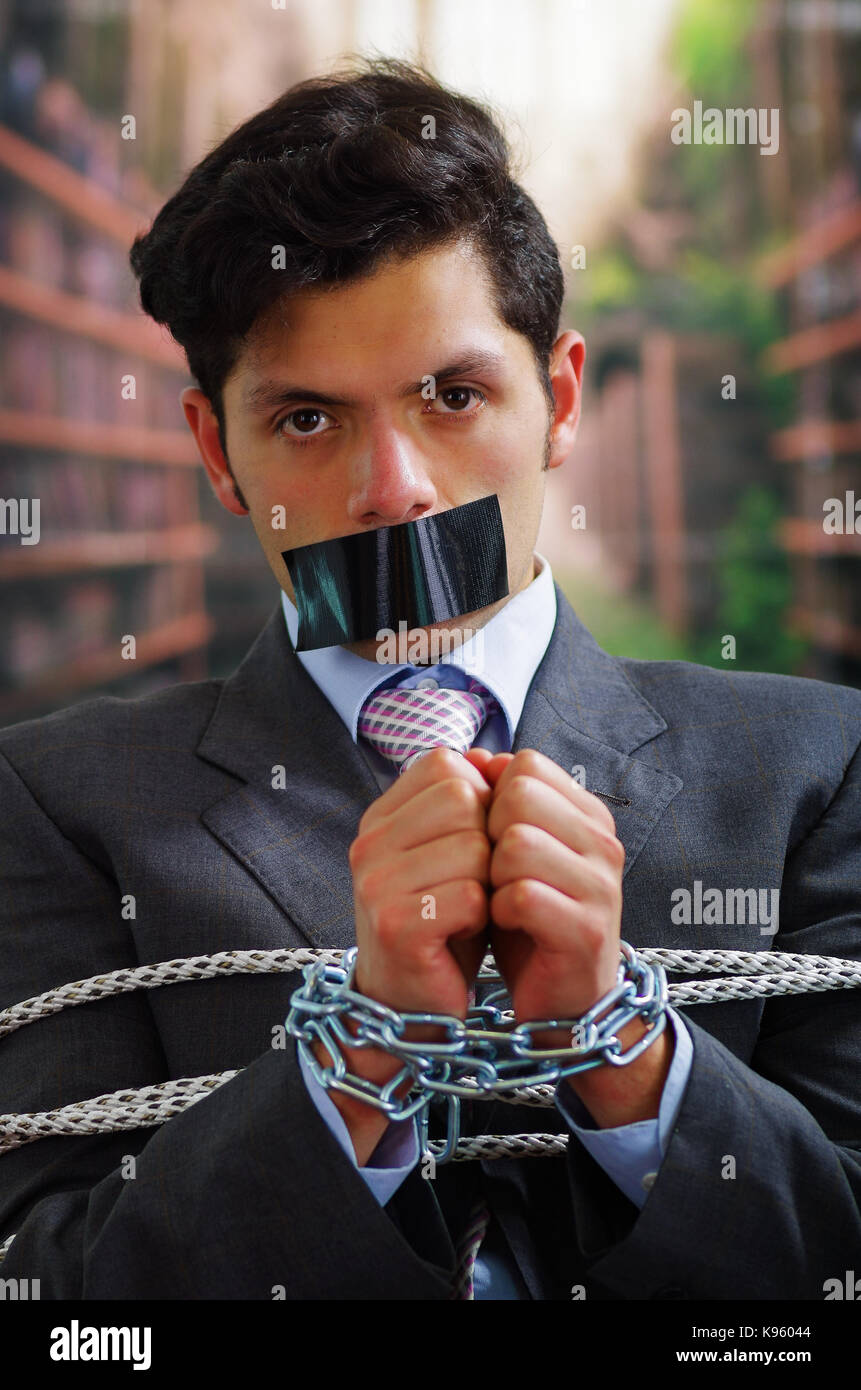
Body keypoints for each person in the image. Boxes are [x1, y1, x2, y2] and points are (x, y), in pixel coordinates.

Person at [0, 56, 858, 1302]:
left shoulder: (821, 765)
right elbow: (52, 1303)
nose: (392, 489)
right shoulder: (52, 799)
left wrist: (618, 1038)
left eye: (453, 395)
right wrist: (359, 1050)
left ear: (559, 399)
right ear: (218, 453)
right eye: (307, 419)